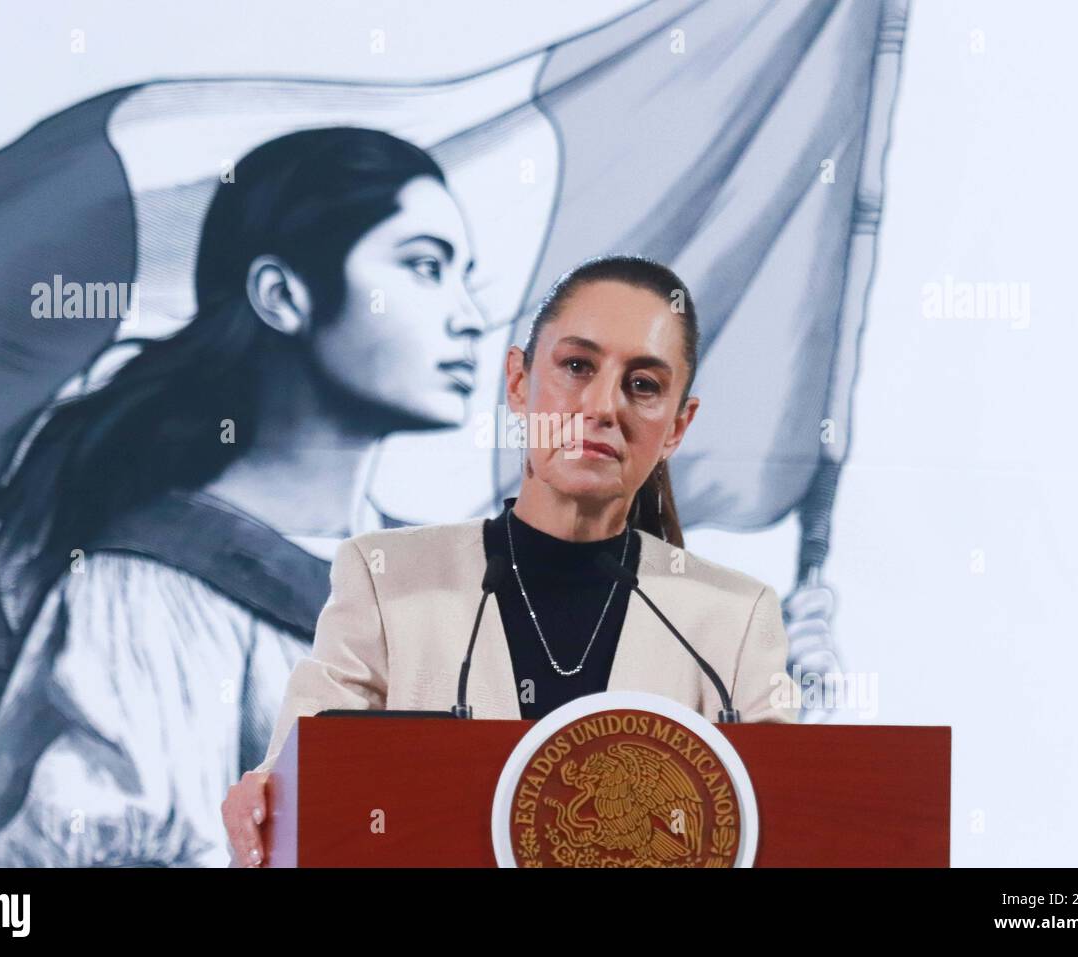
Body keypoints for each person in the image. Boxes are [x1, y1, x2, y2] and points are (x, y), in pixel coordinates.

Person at [0, 127, 487, 866]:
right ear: (282, 296)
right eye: (424, 267)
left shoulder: (450, 583)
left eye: (465, 276)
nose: (470, 317)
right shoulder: (147, 591)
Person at [221, 254, 802, 867]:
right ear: (519, 383)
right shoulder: (388, 581)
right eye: (577, 366)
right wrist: (264, 805)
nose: (604, 406)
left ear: (678, 426)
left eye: (643, 385)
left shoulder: (732, 621)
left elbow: (793, 827)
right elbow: (288, 808)